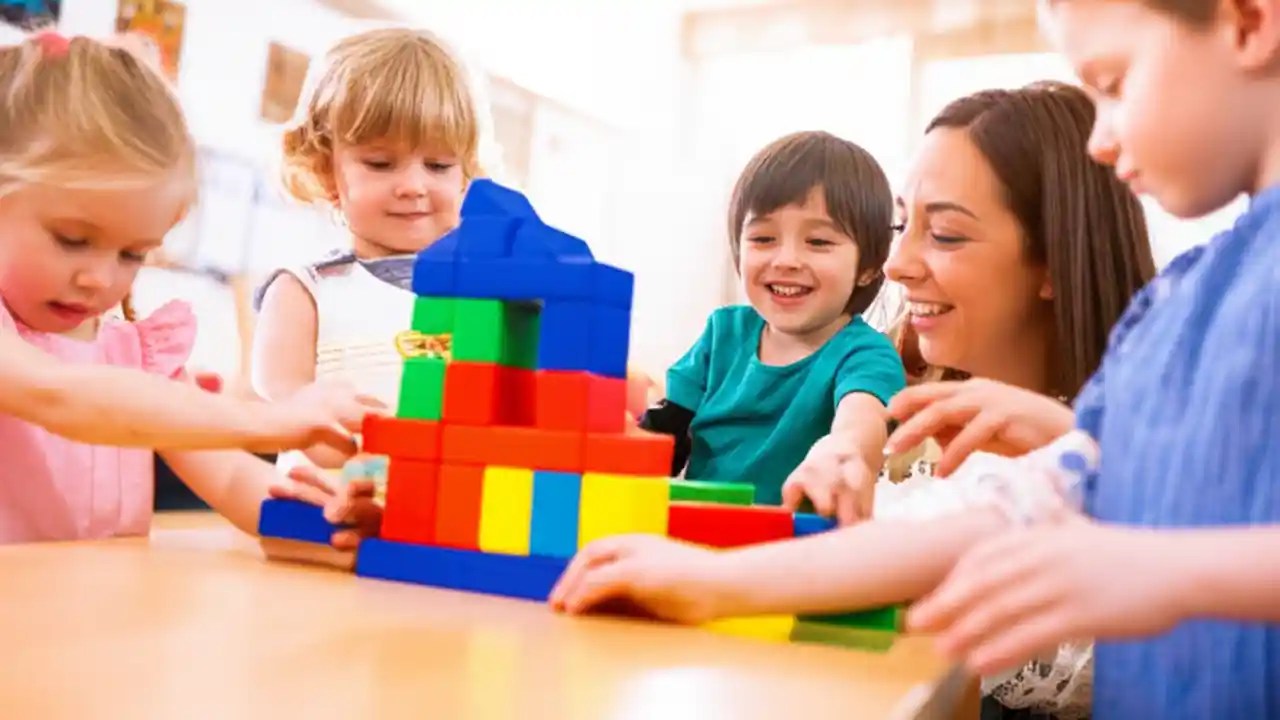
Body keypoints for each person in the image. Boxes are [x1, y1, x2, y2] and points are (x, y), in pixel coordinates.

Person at [550, 81, 1156, 719]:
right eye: (904, 225)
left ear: (1052, 261)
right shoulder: (745, 340)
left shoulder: (1110, 461)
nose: (895, 263)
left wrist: (836, 459)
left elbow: (866, 436)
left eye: (944, 233)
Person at [898, 1, 1280, 717]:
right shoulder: (1182, 299)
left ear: (1249, 24)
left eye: (1114, 82)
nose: (1102, 142)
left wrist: (1165, 570)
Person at [0, 31, 377, 549]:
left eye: (132, 254)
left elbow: (228, 477)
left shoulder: (135, 356)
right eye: (72, 240)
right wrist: (266, 420)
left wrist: (330, 524)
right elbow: (60, 396)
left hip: (92, 621)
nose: (101, 278)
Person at [252, 27, 491, 483]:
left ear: (465, 175)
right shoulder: (304, 291)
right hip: (325, 516)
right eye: (380, 164)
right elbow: (286, 414)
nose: (413, 185)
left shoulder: (485, 295)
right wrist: (379, 458)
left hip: (448, 518)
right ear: (326, 171)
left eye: (438, 166)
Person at [638, 131, 907, 524]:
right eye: (763, 238)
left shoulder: (865, 354)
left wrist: (841, 452)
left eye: (817, 241)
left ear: (868, 266)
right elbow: (665, 434)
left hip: (791, 558)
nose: (786, 259)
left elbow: (860, 425)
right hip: (696, 539)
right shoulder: (723, 332)